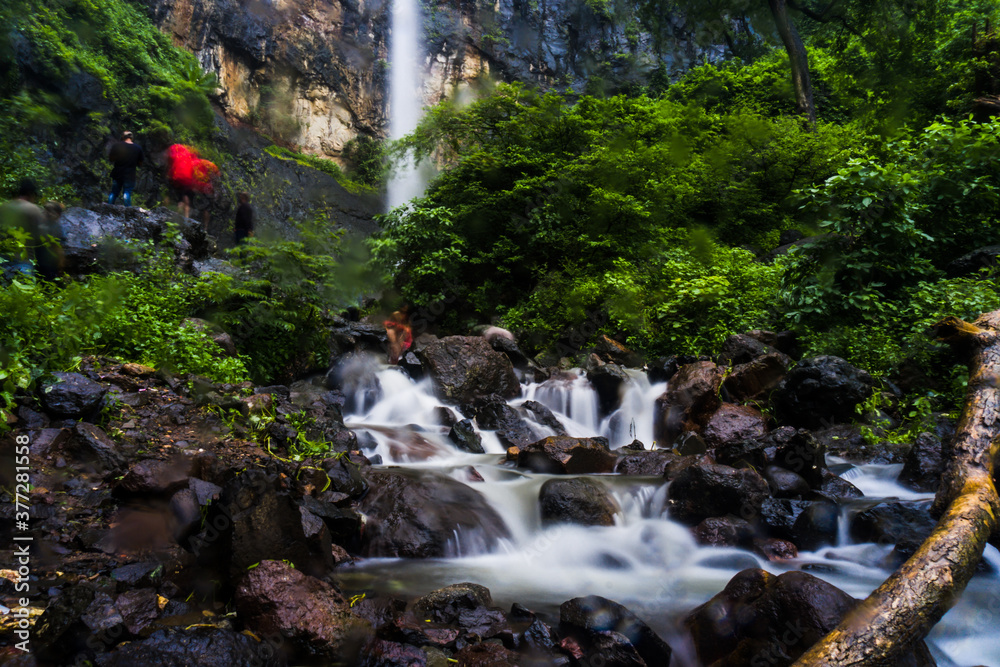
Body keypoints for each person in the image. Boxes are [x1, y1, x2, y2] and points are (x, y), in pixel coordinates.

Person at [0, 179, 46, 277]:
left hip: (3, 259)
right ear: (31, 194)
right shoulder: (33, 209)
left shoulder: (4, 207)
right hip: (23, 261)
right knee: (26, 290)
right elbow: (41, 238)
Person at [107, 131, 144, 206]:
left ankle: (108, 208)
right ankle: (128, 211)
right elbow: (140, 163)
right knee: (127, 193)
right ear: (132, 138)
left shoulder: (117, 145)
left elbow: (111, 159)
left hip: (118, 173)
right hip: (130, 174)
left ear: (123, 137)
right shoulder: (138, 148)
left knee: (114, 192)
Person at [37, 201, 67, 281]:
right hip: (41, 260)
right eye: (45, 210)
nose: (46, 213)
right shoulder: (40, 224)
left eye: (49, 211)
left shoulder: (57, 228)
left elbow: (59, 248)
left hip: (48, 262)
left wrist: (60, 264)